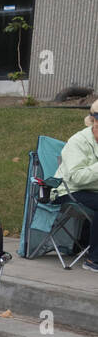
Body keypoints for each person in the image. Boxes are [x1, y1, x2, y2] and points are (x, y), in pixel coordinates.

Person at [54, 101, 98, 272]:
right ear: (94, 121)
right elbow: (75, 177)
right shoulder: (78, 141)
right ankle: (94, 259)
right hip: (69, 190)